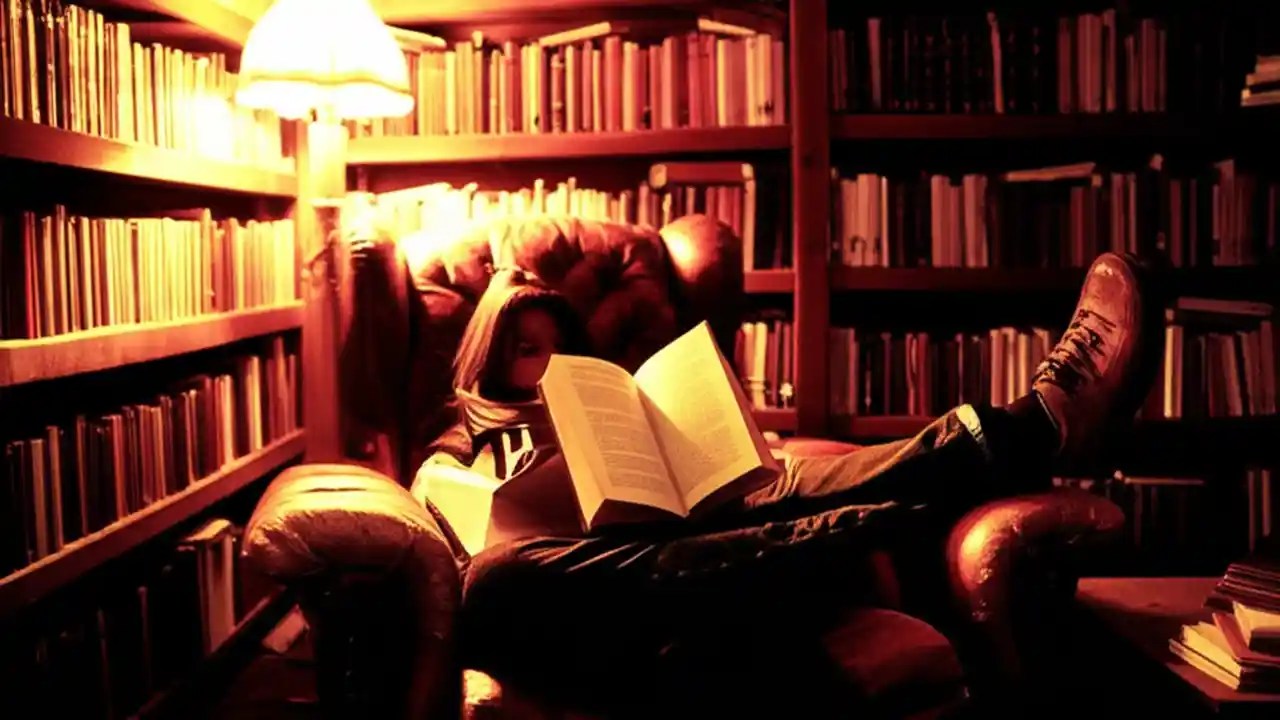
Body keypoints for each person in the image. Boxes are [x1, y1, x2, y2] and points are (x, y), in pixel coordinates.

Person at [422, 253, 1161, 714]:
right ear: (489, 360)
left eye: (562, 351)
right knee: (492, 579)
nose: (546, 368)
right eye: (527, 351)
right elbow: (455, 546)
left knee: (776, 483)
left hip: (695, 579)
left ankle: (1032, 423)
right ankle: (932, 496)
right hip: (569, 613)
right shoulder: (451, 455)